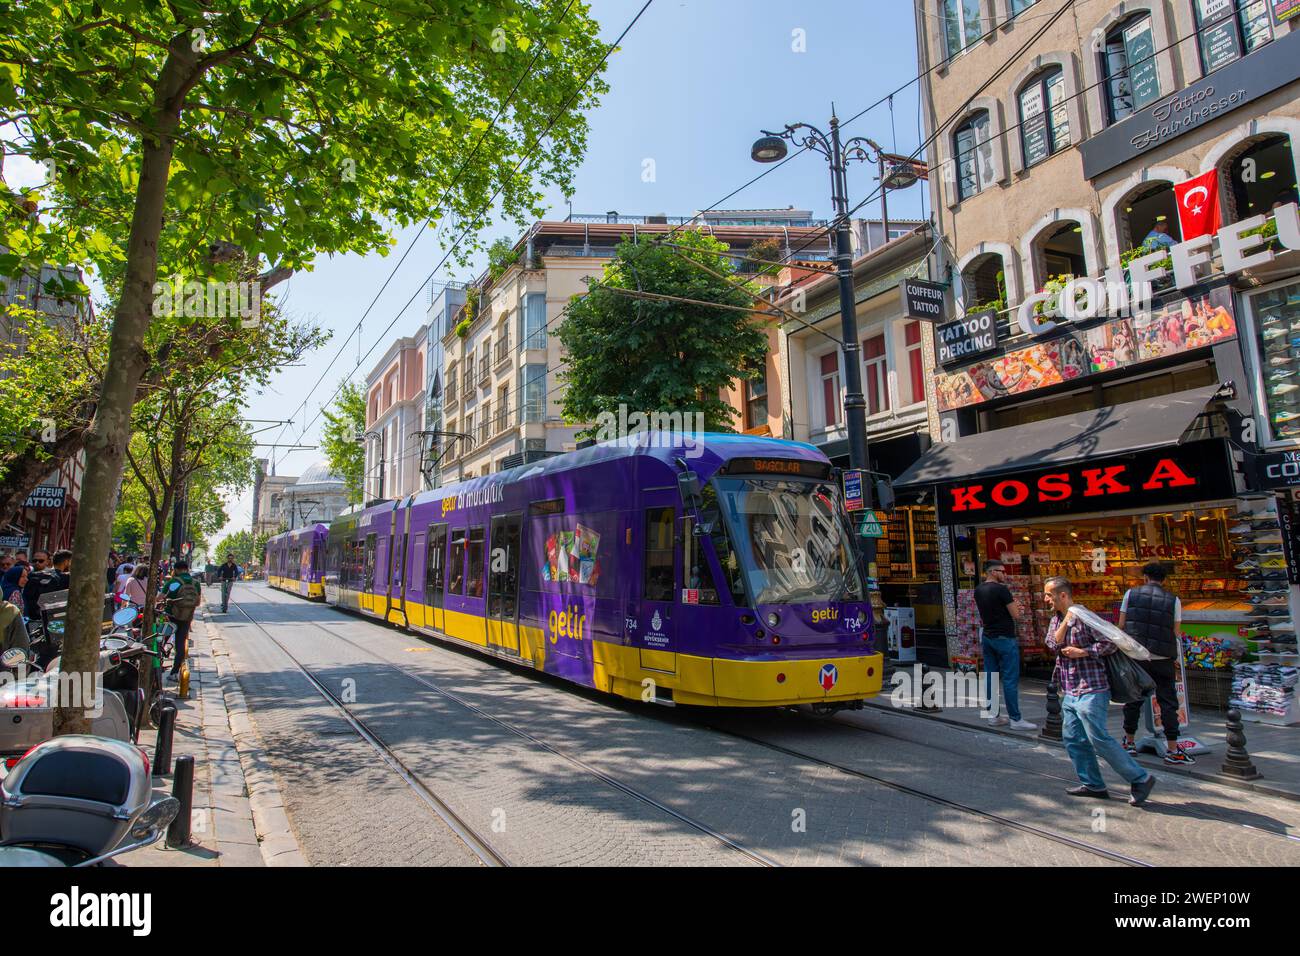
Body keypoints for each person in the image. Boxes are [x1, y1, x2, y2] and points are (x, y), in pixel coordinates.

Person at [1044, 576, 1157, 805]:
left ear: (1062, 595)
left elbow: (1111, 642)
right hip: (1070, 688)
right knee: (1073, 738)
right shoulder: (1057, 619)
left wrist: (1083, 651)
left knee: (1098, 738)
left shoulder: (1086, 618)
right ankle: (1093, 784)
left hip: (1092, 686)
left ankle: (1140, 778)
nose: (1045, 599)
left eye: (1048, 595)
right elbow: (1052, 644)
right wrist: (1066, 621)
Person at [1118, 562, 1191, 764]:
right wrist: (1175, 657)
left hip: (1137, 656)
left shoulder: (1130, 595)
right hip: (1163, 657)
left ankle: (1129, 742)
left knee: (1133, 698)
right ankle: (1173, 748)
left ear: (1145, 578)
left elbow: (1122, 625)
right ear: (1164, 580)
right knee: (1168, 701)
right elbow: (1176, 632)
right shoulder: (1173, 600)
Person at [973, 559, 1036, 730]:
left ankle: (993, 716)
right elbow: (1016, 614)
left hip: (987, 636)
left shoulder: (978, 590)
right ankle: (1015, 718)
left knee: (991, 677)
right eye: (1002, 570)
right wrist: (1020, 609)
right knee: (1009, 678)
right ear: (992, 571)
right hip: (1005, 637)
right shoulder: (1002, 590)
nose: (1005, 574)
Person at [159, 559, 202, 681]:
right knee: (180, 643)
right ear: (187, 569)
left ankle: (159, 664)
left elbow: (159, 598)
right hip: (187, 616)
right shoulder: (195, 583)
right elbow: (198, 602)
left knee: (160, 639)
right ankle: (174, 672)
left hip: (170, 615)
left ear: (176, 570)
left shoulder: (174, 582)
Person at [22, 549, 70, 621]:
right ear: (66, 562)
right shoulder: (66, 578)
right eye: (35, 560)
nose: (37, 563)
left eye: (41, 561)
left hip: (31, 616)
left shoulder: (31, 575)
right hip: (52, 617)